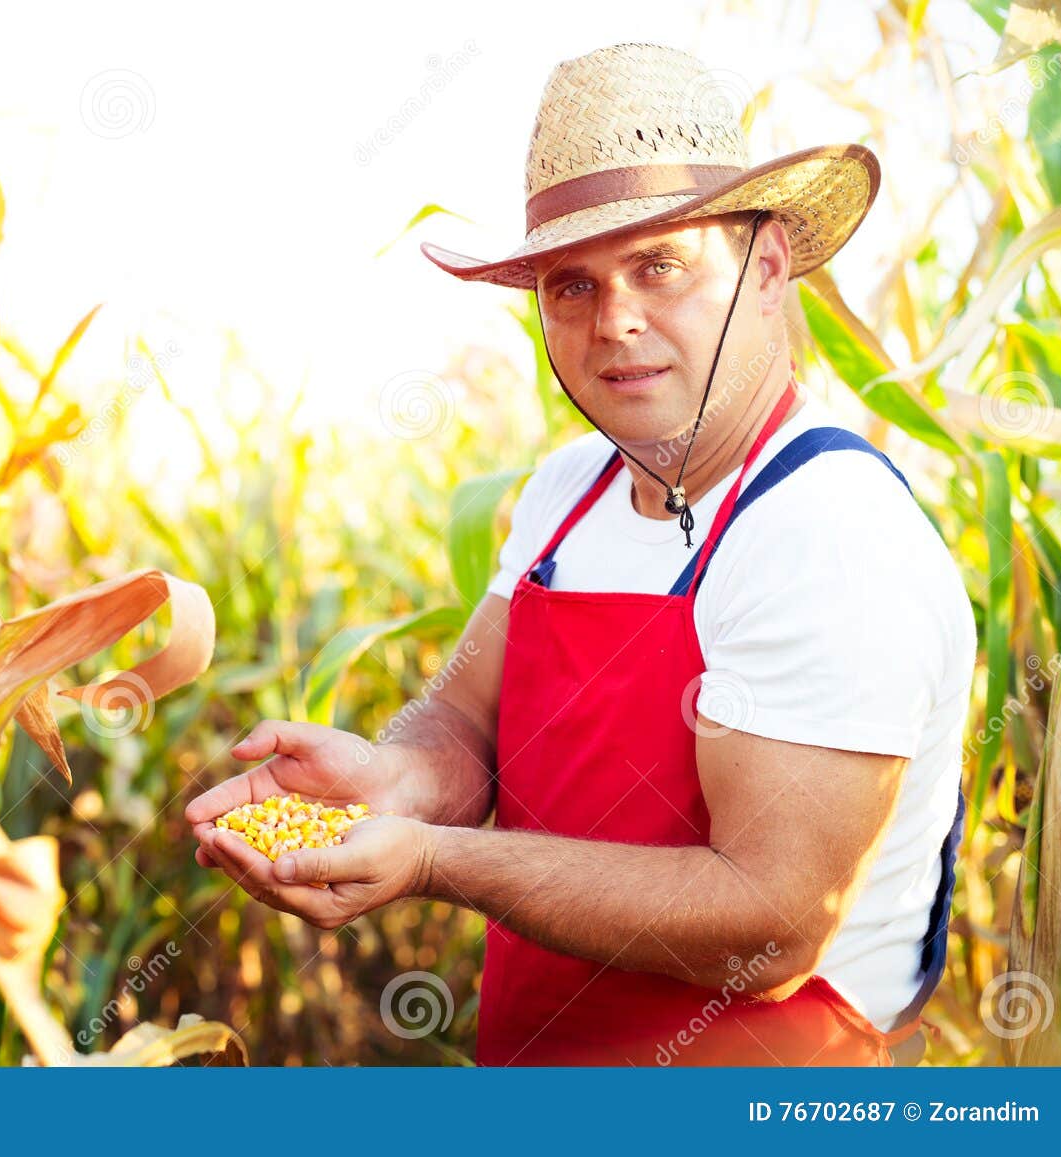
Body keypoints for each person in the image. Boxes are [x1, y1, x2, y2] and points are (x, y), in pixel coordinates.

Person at [184, 42, 977, 1066]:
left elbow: (769, 925)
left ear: (766, 266)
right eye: (572, 285)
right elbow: (467, 720)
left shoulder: (828, 534)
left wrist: (432, 858)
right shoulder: (570, 490)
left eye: (660, 265)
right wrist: (390, 781)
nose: (617, 324)